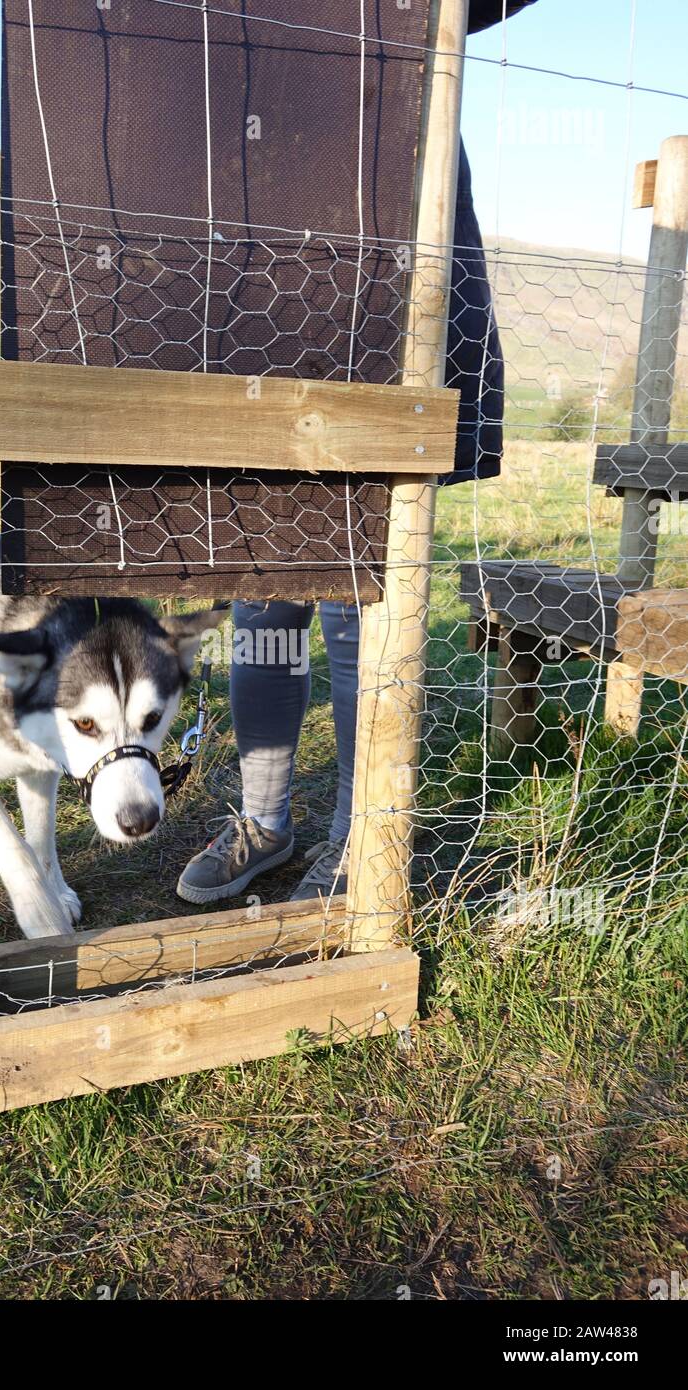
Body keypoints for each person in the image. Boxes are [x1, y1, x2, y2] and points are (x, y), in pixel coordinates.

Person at [176, 0, 537, 906]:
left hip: (385, 293)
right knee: (262, 589)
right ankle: (265, 822)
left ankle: (355, 842)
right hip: (249, 289)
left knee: (356, 602)